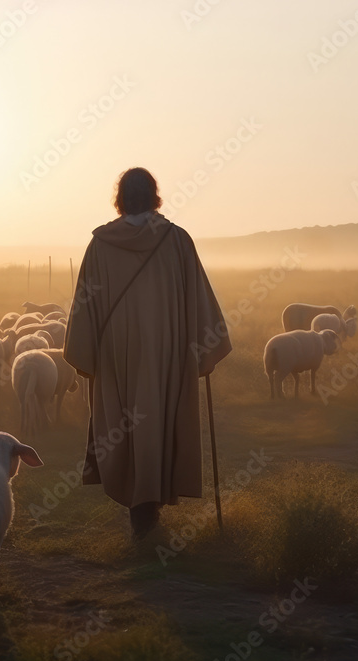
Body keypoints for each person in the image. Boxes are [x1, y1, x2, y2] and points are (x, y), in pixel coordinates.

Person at [63, 167, 232, 538]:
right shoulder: (177, 242)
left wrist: (87, 354)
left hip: (116, 355)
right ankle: (150, 508)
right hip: (166, 354)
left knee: (124, 424)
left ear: (120, 198)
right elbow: (198, 301)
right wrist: (204, 348)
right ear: (155, 195)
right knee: (159, 419)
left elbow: (83, 308)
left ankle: (139, 510)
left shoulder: (100, 246)